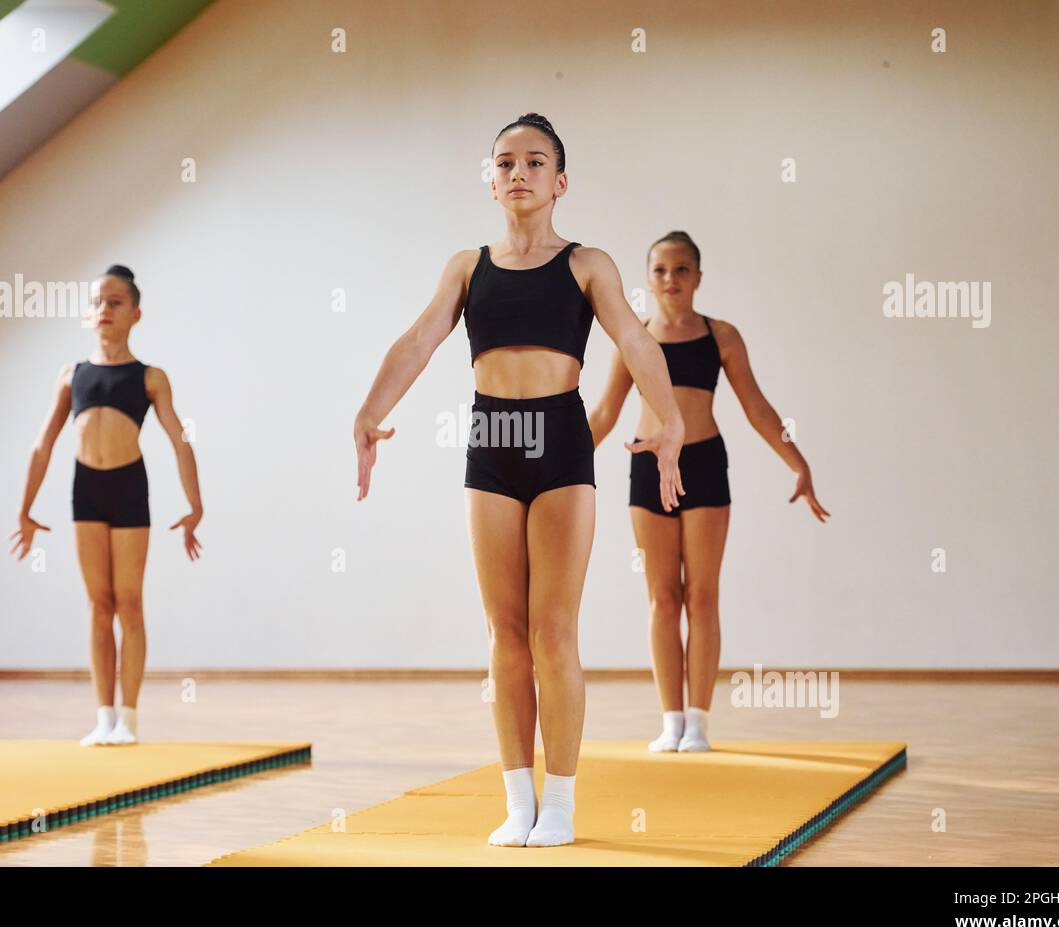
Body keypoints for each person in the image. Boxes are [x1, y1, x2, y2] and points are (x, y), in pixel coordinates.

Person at [354, 114, 686, 846]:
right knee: (504, 631)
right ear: (491, 179)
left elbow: (634, 336)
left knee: (553, 629)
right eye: (504, 162)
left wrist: (669, 418)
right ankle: (517, 802)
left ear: (559, 181)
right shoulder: (467, 267)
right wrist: (370, 412)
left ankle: (561, 803)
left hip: (560, 439)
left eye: (535, 162)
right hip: (491, 440)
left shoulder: (588, 263)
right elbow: (418, 339)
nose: (518, 172)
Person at [588, 232, 830, 753]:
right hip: (648, 468)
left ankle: (697, 720)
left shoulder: (722, 336)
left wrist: (798, 463)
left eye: (681, 270)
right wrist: (556, 463)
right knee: (661, 597)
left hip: (703, 465)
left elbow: (758, 408)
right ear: (647, 279)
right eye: (659, 271)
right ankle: (669, 719)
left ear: (698, 277)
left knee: (701, 594)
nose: (670, 280)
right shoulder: (634, 337)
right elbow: (605, 413)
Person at [9, 264, 204, 746]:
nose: (104, 310)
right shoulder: (72, 374)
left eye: (115, 302)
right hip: (87, 489)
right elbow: (43, 443)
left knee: (129, 602)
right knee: (99, 605)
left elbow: (180, 442)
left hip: (129, 487)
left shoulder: (150, 376)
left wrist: (195, 506)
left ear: (136, 314)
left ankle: (130, 719)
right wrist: (25, 508)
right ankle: (103, 717)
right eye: (97, 302)